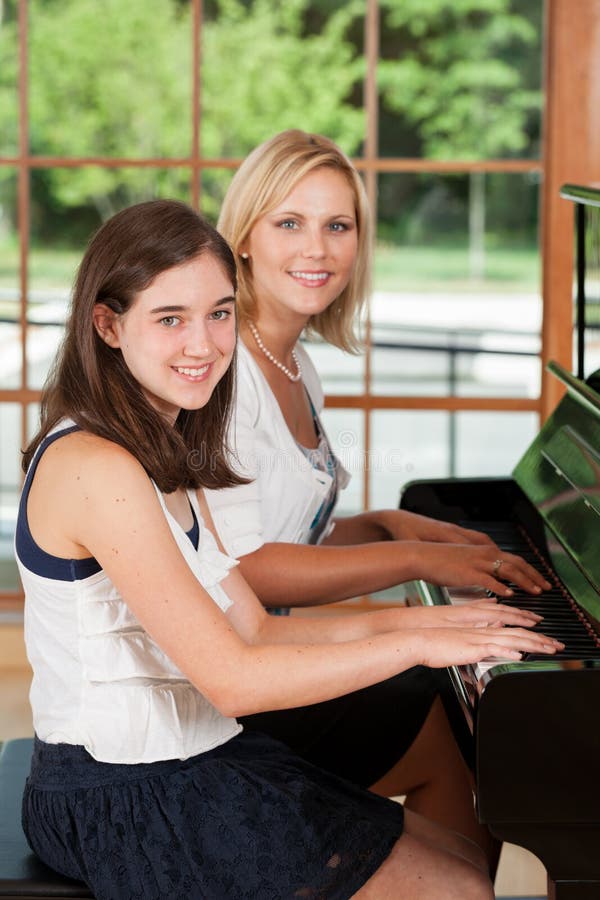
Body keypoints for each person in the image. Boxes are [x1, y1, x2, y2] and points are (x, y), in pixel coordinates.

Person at [16, 198, 562, 900]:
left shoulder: (162, 445)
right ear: (109, 324)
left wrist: (429, 623)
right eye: (170, 318)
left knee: (458, 854)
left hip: (196, 755)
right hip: (120, 791)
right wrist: (418, 644)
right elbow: (234, 679)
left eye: (218, 313)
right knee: (455, 886)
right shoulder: (98, 466)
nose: (205, 344)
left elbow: (256, 625)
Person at [203, 129, 553, 872]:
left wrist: (389, 525)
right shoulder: (227, 375)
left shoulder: (293, 364)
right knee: (444, 713)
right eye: (289, 223)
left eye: (339, 226)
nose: (318, 249)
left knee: (456, 710)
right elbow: (249, 567)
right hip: (222, 691)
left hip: (269, 653)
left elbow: (297, 537)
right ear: (243, 238)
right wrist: (418, 556)